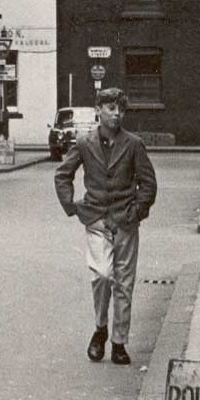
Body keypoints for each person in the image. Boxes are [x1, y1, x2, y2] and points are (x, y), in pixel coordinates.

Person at [54, 86, 159, 365]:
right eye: (111, 108)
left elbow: (148, 183)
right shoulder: (84, 143)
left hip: (126, 222)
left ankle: (119, 343)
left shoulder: (134, 144)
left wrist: (136, 211)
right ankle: (100, 329)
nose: (117, 114)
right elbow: (63, 175)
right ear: (98, 110)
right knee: (102, 275)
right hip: (97, 220)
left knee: (124, 283)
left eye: (121, 109)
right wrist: (72, 206)